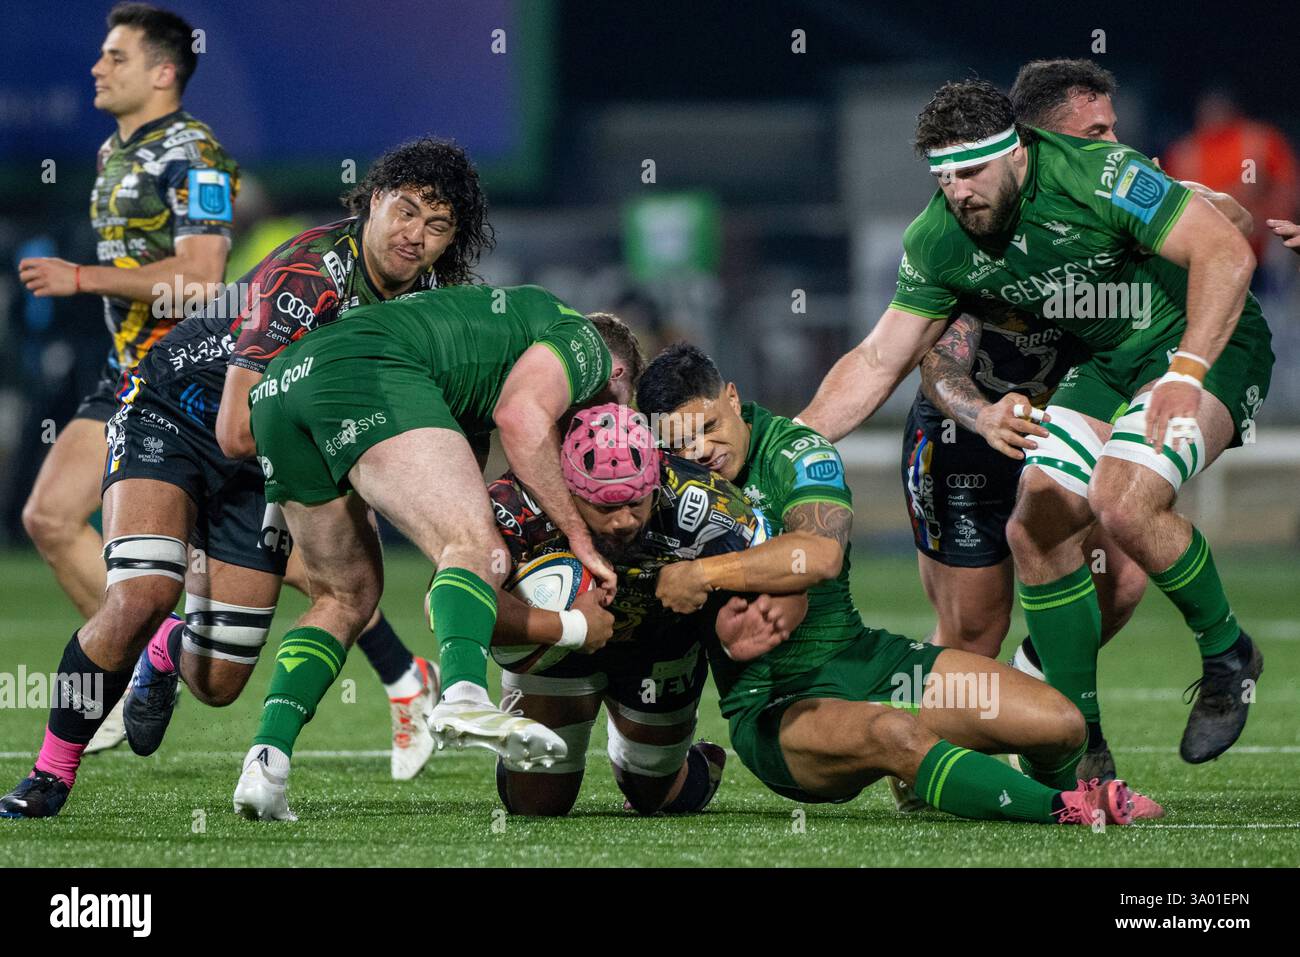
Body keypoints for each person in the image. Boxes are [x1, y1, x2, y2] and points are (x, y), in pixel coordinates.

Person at [0, 141, 491, 820]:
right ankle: (49, 774)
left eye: (437, 227)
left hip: (266, 452)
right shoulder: (313, 274)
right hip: (175, 413)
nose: (415, 235)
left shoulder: (421, 304)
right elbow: (235, 427)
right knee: (143, 591)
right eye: (406, 211)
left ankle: (170, 649)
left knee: (220, 681)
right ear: (375, 199)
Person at [799, 79, 1271, 779]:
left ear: (1019, 152)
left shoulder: (1099, 174)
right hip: (1088, 374)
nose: (957, 192)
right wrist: (793, 439)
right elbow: (878, 359)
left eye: (972, 171)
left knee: (1120, 503)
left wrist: (1188, 370)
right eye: (944, 176)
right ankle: (1077, 748)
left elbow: (1228, 253)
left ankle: (1229, 653)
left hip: (1200, 351)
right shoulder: (939, 237)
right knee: (1037, 524)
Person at [638, 344, 1162, 825]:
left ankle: (982, 788)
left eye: (708, 426)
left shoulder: (795, 451)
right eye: (682, 442)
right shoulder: (659, 484)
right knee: (892, 732)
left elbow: (819, 554)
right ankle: (1065, 809)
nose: (701, 450)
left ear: (731, 396)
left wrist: (702, 575)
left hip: (864, 661)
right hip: (775, 708)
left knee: (1060, 725)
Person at [230, 287, 639, 820]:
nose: (600, 432)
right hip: (361, 369)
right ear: (616, 378)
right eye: (616, 413)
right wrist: (579, 539)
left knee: (343, 595)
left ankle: (266, 765)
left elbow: (464, 463)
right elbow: (520, 415)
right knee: (475, 544)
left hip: (281, 387)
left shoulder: (484, 354)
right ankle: (464, 695)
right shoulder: (582, 341)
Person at [17, 2, 237, 752]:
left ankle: (403, 667)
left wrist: (81, 277)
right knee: (49, 516)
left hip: (187, 378)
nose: (97, 67)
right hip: (127, 371)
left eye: (115, 56)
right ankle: (152, 650)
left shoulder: (192, 151)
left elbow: (205, 280)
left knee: (294, 560)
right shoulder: (119, 151)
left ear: (162, 71)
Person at [490, 402, 800, 816]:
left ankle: (691, 762)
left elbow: (788, 566)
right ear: (569, 489)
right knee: (533, 805)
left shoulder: (701, 500)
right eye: (604, 507)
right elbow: (445, 603)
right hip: (558, 643)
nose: (623, 521)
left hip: (660, 645)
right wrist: (567, 626)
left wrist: (771, 612)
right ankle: (533, 744)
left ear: (656, 478)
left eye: (636, 502)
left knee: (655, 794)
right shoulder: (516, 504)